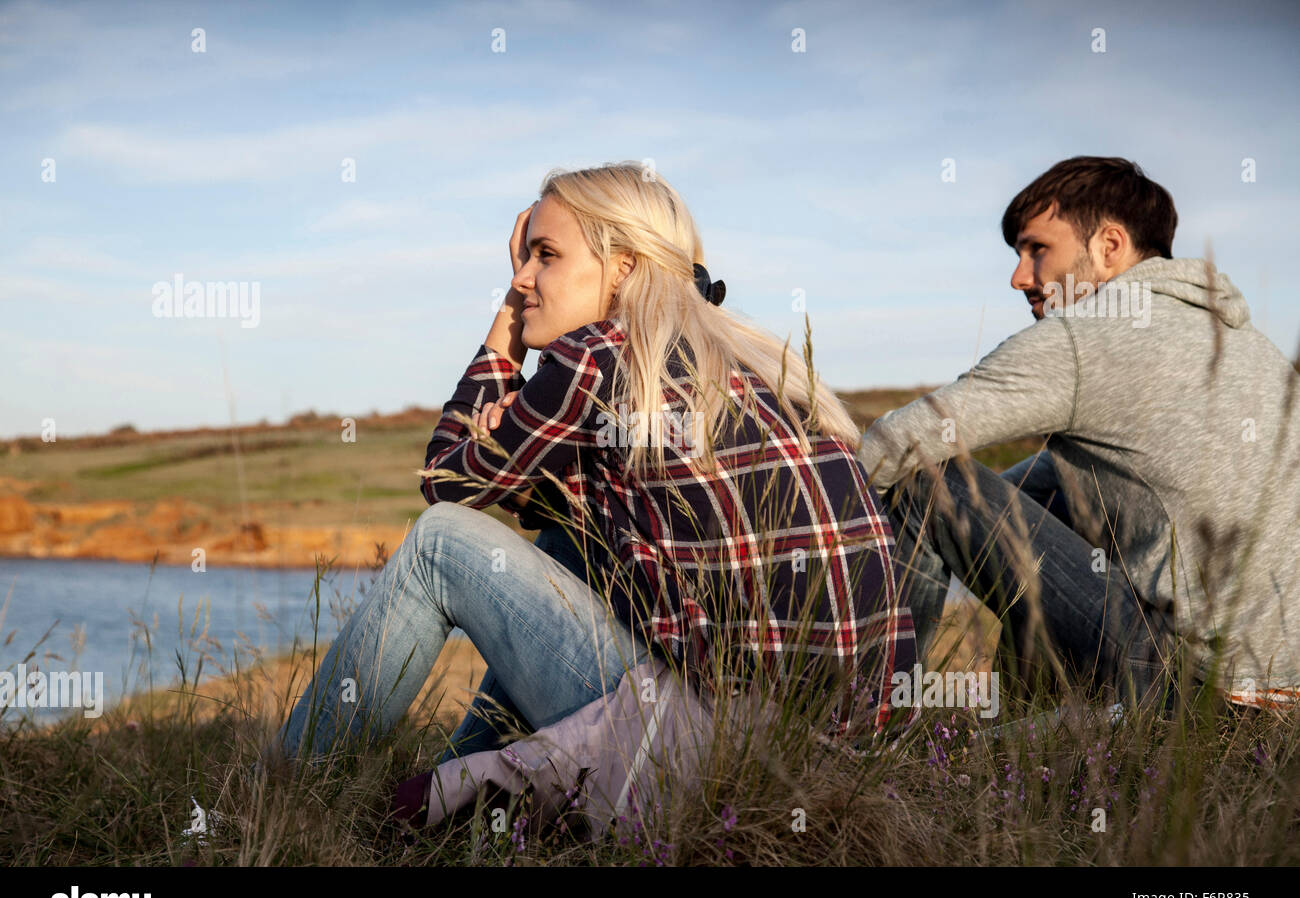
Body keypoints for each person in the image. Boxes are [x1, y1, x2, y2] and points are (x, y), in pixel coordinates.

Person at [269, 163, 917, 803]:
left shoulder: (602, 355)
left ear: (625, 268)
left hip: (726, 760)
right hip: (848, 763)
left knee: (441, 543)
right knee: (563, 541)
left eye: (542, 255)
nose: (524, 277)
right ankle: (463, 777)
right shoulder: (755, 360)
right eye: (523, 260)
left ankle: (288, 792)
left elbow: (447, 478)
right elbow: (575, 514)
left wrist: (507, 319)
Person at [858, 156, 1300, 712]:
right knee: (1047, 494)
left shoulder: (1085, 336)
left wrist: (795, 514)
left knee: (927, 483)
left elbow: (900, 441)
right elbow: (1046, 493)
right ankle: (1026, 731)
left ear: (1109, 246)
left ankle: (879, 721)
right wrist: (978, 528)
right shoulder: (1245, 342)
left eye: (1037, 249)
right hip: (1283, 691)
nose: (1019, 276)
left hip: (1198, 688)